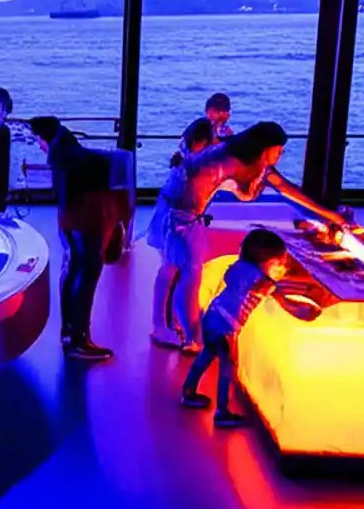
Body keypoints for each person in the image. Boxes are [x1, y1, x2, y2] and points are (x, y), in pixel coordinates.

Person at [158, 122, 346, 350]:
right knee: (190, 274)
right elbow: (196, 176)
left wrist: (332, 217)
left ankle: (182, 329)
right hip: (182, 215)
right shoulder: (230, 162)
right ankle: (192, 338)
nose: (282, 153)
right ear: (265, 148)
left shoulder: (255, 166)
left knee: (181, 272)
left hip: (186, 214)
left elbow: (289, 191)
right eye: (278, 148)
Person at [181, 228, 314, 427]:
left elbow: (232, 279)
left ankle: (188, 393)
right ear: (266, 261)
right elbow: (285, 301)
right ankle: (222, 412)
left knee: (206, 356)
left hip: (212, 317)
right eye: (279, 263)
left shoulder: (240, 267)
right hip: (226, 328)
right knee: (228, 367)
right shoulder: (262, 282)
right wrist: (306, 309)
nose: (281, 267)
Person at [29, 116, 127, 360]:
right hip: (86, 222)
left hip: (71, 220)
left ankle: (70, 332)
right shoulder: (70, 153)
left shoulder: (62, 155)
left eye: (37, 140)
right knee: (86, 277)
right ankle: (79, 340)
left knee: (72, 272)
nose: (38, 146)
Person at [148, 118, 216, 349]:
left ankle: (166, 324)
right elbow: (185, 198)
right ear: (201, 141)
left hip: (171, 218)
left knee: (169, 270)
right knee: (185, 273)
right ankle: (183, 330)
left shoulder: (184, 161)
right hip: (179, 221)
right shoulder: (192, 166)